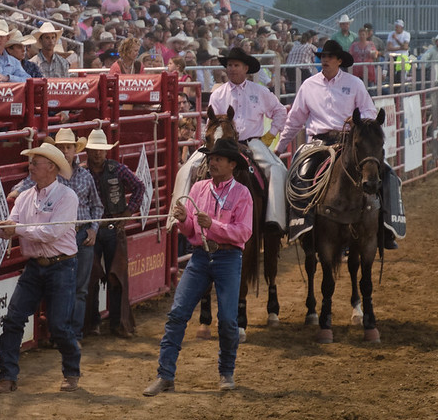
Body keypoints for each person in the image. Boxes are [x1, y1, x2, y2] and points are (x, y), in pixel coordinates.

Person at [0, 143, 81, 393]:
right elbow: (7, 229)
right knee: (13, 319)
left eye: (34, 163)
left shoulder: (67, 197)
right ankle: (8, 376)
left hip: (61, 264)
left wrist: (13, 228)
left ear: (51, 167)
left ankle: (71, 370)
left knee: (59, 325)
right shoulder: (27, 197)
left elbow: (51, 233)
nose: (30, 167)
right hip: (37, 266)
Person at [143, 139, 253, 396]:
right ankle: (165, 375)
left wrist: (213, 225)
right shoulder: (199, 188)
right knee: (177, 313)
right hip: (201, 256)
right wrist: (183, 221)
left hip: (228, 258)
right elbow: (192, 228)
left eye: (218, 159)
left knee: (227, 319)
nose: (212, 162)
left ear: (232, 164)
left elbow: (243, 233)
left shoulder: (242, 194)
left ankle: (226, 371)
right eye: (211, 158)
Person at [275, 39, 405, 249]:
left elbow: (369, 110)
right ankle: (300, 225)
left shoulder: (354, 84)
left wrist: (359, 121)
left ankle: (386, 227)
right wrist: (279, 148)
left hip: (350, 141)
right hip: (319, 142)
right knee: (299, 173)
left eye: (329, 57)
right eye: (322, 57)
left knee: (386, 173)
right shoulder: (309, 85)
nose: (324, 60)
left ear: (339, 61)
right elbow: (295, 120)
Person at [7, 129, 104, 343]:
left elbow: (97, 206)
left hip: (81, 235)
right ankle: (62, 335)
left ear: (74, 151)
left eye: (68, 147)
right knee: (67, 289)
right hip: (59, 242)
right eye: (61, 147)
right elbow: (24, 186)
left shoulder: (85, 176)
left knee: (79, 289)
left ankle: (73, 335)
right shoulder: (44, 176)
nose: (66, 150)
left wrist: (94, 229)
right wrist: (16, 192)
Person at [207, 47, 288, 232]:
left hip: (252, 143)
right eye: (229, 65)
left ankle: (275, 221)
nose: (232, 68)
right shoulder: (218, 95)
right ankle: (182, 217)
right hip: (222, 145)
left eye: (236, 65)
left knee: (276, 170)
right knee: (191, 167)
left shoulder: (260, 91)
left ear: (245, 68)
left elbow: (280, 111)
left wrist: (271, 134)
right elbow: (210, 123)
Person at [84, 129, 145, 338]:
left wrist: (128, 212)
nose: (98, 154)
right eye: (95, 150)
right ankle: (94, 323)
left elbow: (139, 187)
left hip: (112, 228)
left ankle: (116, 323)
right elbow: (139, 187)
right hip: (93, 230)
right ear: (88, 150)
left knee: (116, 276)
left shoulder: (116, 169)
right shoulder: (84, 173)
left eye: (101, 150)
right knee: (91, 275)